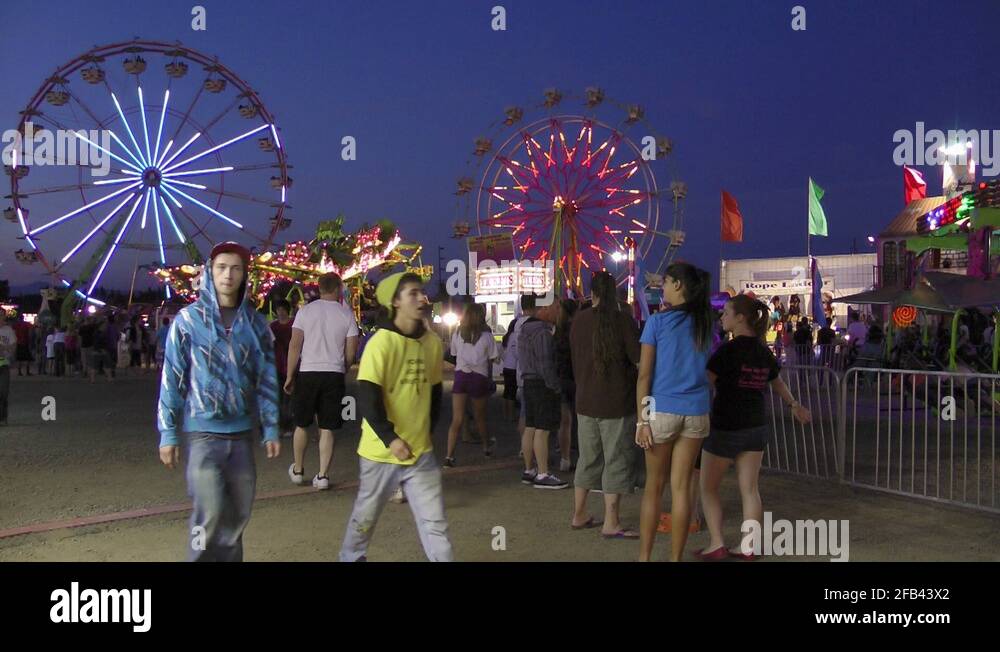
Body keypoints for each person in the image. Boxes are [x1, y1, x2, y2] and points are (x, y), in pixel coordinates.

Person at [157, 241, 280, 562]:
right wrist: (168, 433)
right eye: (222, 267)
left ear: (244, 276)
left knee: (237, 520)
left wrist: (271, 426)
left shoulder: (255, 325)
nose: (228, 275)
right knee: (208, 516)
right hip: (203, 436)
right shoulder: (187, 321)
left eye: (236, 268)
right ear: (209, 272)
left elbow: (266, 378)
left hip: (241, 437)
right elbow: (172, 378)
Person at [340, 272, 451, 562]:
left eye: (421, 292)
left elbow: (435, 392)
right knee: (365, 518)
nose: (421, 298)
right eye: (413, 293)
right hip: (380, 454)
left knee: (435, 522)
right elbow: (367, 398)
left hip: (420, 452)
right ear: (395, 302)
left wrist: (427, 431)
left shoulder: (432, 343)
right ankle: (351, 557)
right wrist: (390, 438)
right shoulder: (380, 343)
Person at [697, 295, 812, 561]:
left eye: (726, 313)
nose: (722, 317)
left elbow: (706, 383)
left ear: (740, 318)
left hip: (726, 426)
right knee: (750, 489)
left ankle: (717, 543)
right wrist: (794, 405)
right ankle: (749, 546)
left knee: (708, 487)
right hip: (755, 426)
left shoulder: (727, 351)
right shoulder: (763, 351)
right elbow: (777, 383)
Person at [635, 262, 714, 562]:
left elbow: (644, 376)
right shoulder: (706, 323)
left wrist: (642, 420)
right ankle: (676, 559)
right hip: (696, 411)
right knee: (681, 489)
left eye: (666, 282)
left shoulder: (657, 323)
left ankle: (645, 557)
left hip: (662, 409)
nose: (662, 287)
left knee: (654, 488)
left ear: (679, 285)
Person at [569, 271, 641, 538]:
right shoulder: (623, 321)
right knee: (616, 459)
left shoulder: (579, 320)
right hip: (616, 401)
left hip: (585, 400)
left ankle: (579, 513)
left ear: (593, 292)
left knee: (588, 458)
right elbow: (638, 359)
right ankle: (611, 521)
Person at [284, 272, 359, 490]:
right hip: (333, 373)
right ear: (337, 288)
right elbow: (351, 351)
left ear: (319, 288)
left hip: (307, 372)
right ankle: (323, 475)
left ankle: (298, 470)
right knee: (327, 427)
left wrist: (290, 374)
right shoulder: (346, 314)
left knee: (301, 423)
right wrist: (343, 368)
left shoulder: (305, 312)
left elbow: (295, 345)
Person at [518, 293, 568, 489]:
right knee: (543, 429)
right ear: (544, 308)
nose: (558, 312)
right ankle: (543, 473)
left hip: (528, 382)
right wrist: (555, 386)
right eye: (556, 307)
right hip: (541, 384)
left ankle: (529, 470)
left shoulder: (524, 328)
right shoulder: (542, 332)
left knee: (530, 427)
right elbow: (546, 364)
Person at [445, 302, 500, 466]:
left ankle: (449, 456)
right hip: (479, 377)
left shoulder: (457, 334)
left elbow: (454, 354)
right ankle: (486, 447)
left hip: (461, 377)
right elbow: (493, 357)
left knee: (457, 419)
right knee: (480, 417)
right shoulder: (487, 336)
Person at [554, 299, 577, 472]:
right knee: (582, 420)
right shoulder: (576, 330)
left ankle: (565, 458)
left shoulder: (556, 331)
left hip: (560, 378)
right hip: (576, 378)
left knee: (564, 421)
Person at [269, 299, 295, 439]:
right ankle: (281, 425)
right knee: (279, 397)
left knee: (289, 398)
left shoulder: (294, 324)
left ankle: (288, 425)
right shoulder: (272, 326)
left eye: (282, 309)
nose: (280, 312)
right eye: (278, 309)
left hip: (291, 365)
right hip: (277, 365)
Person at [500, 312, 522, 422]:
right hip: (513, 367)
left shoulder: (506, 336)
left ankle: (505, 414)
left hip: (506, 367)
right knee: (512, 393)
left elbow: (503, 352)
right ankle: (511, 415)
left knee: (507, 391)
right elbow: (516, 352)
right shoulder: (515, 336)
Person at [0, 312, 15, 426]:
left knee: (4, 392)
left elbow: (13, 346)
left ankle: (3, 416)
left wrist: (4, 348)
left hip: (4, 364)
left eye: (2, 315)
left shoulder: (8, 330)